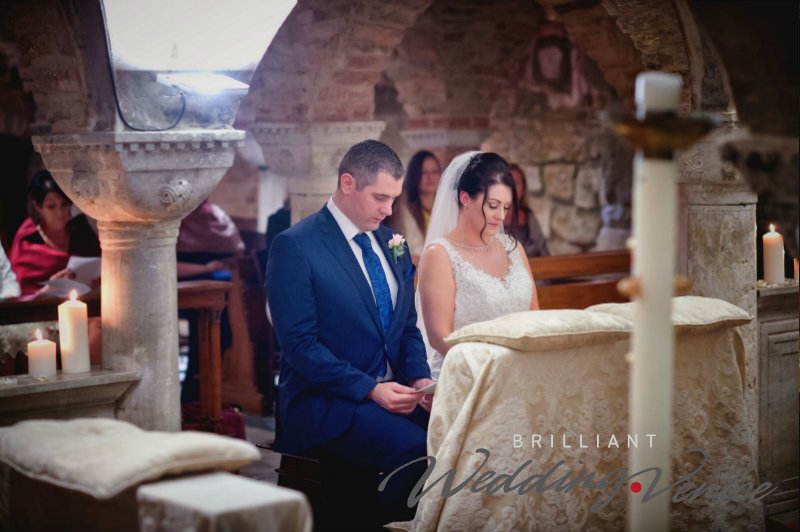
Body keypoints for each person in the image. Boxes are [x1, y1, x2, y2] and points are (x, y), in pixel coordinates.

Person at [266, 140, 433, 524]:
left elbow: (406, 327)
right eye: (379, 197)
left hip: (391, 395)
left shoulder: (393, 245)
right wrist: (370, 389)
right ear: (347, 183)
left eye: (393, 199)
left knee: (459, 436)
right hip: (324, 403)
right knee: (415, 449)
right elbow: (299, 346)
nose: (389, 210)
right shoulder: (296, 246)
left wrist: (420, 379)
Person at [417, 152, 540, 379]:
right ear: (465, 198)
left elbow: (535, 317)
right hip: (468, 374)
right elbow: (439, 336)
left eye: (506, 207)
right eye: (493, 205)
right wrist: (491, 369)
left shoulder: (514, 248)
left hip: (521, 370)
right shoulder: (440, 255)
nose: (501, 216)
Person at [8, 170, 100, 296]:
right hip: (42, 311)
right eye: (51, 206)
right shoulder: (28, 242)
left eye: (64, 204)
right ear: (38, 206)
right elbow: (19, 296)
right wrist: (47, 290)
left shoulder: (82, 232)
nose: (60, 213)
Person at [385, 150, 442, 256]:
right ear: (415, 175)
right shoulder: (403, 211)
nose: (430, 177)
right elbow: (396, 251)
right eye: (423, 172)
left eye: (434, 172)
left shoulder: (445, 209)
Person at [505, 163, 550, 257]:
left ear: (523, 188)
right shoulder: (491, 217)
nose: (512, 187)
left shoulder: (529, 217)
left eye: (517, 183)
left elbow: (543, 251)